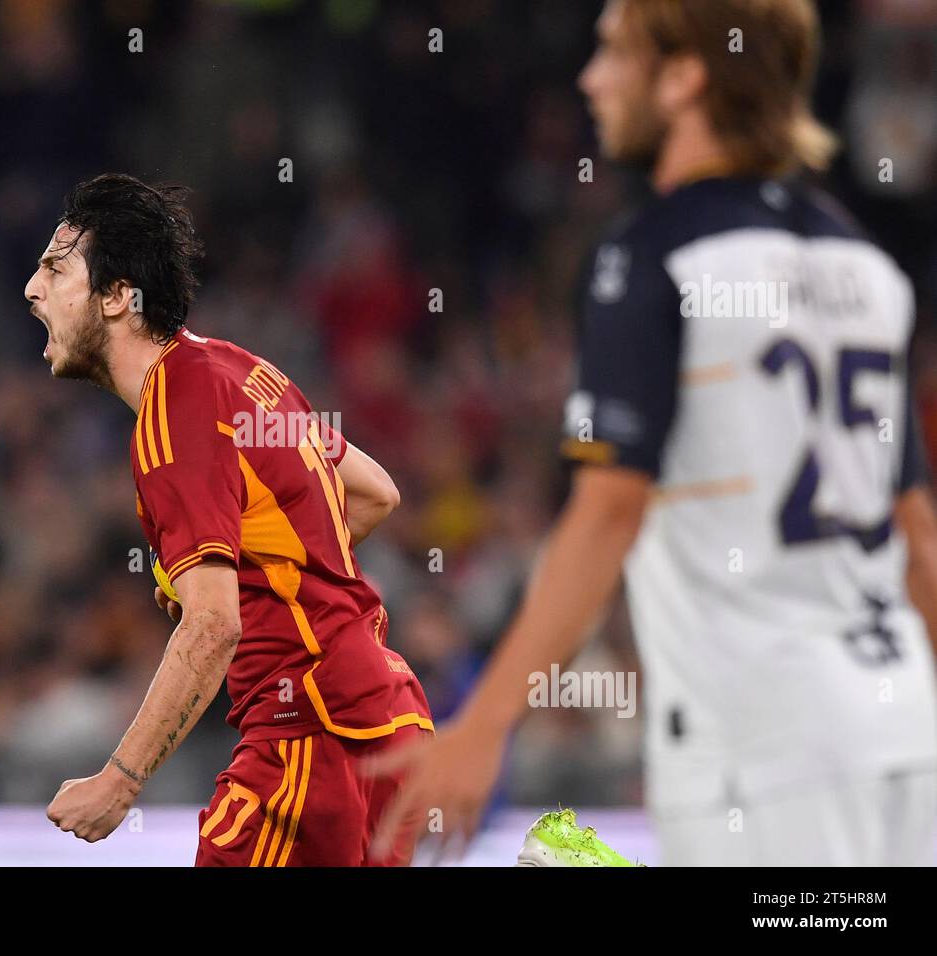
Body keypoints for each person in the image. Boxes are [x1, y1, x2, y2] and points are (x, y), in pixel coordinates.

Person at [371, 0, 937, 866]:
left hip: (761, 755)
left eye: (612, 53)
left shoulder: (650, 256)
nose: (591, 79)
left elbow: (607, 515)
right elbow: (917, 539)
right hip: (902, 731)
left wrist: (482, 725)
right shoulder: (864, 264)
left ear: (685, 77)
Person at [30, 173, 433, 866]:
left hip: (304, 738)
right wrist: (264, 566)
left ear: (121, 296)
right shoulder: (237, 369)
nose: (34, 289)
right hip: (384, 724)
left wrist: (119, 782)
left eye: (54, 268)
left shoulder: (172, 414)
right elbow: (373, 494)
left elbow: (214, 626)